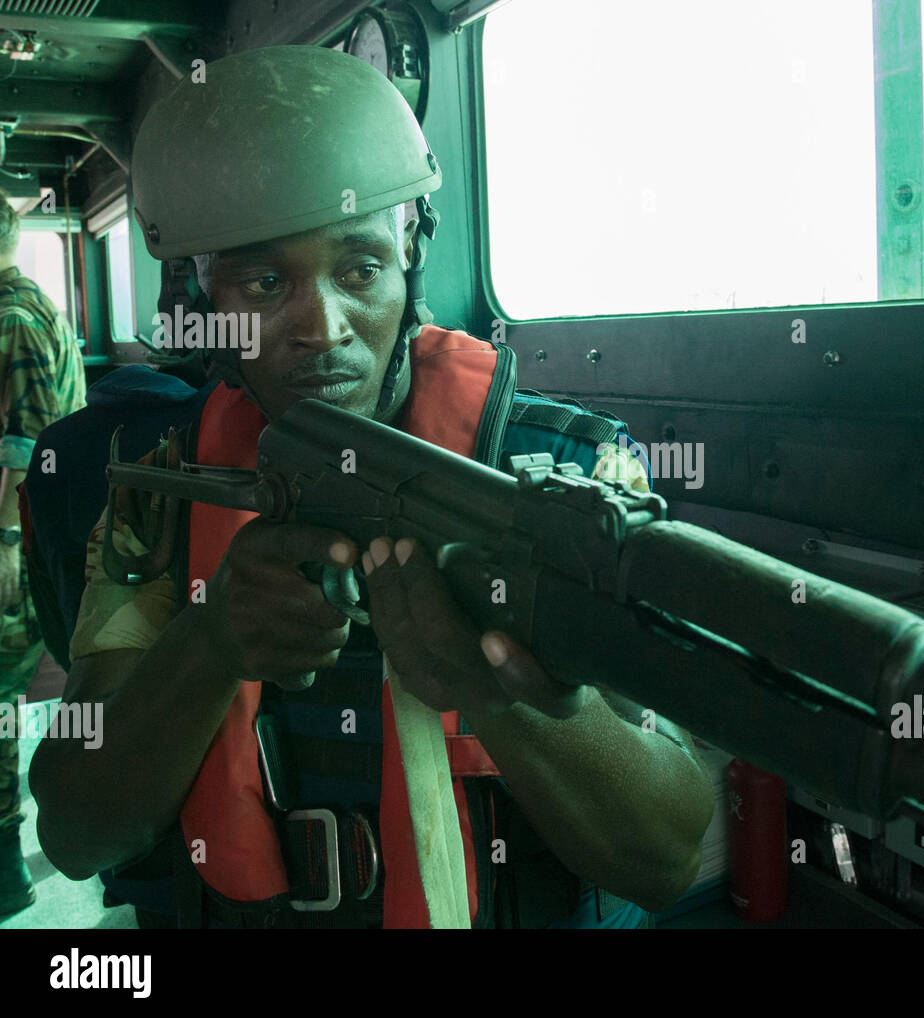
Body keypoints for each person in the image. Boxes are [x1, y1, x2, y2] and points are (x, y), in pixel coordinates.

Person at [26, 45, 714, 929]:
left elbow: (665, 855)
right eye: (266, 282)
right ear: (204, 291)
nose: (323, 328)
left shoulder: (569, 475)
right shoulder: (162, 488)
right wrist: (211, 643)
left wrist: (500, 695)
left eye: (359, 271)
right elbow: (79, 829)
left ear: (408, 253)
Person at [0, 191, 86, 918]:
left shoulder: (15, 317)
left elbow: (22, 446)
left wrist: (3, 542)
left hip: (15, 540)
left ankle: (4, 869)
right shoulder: (26, 304)